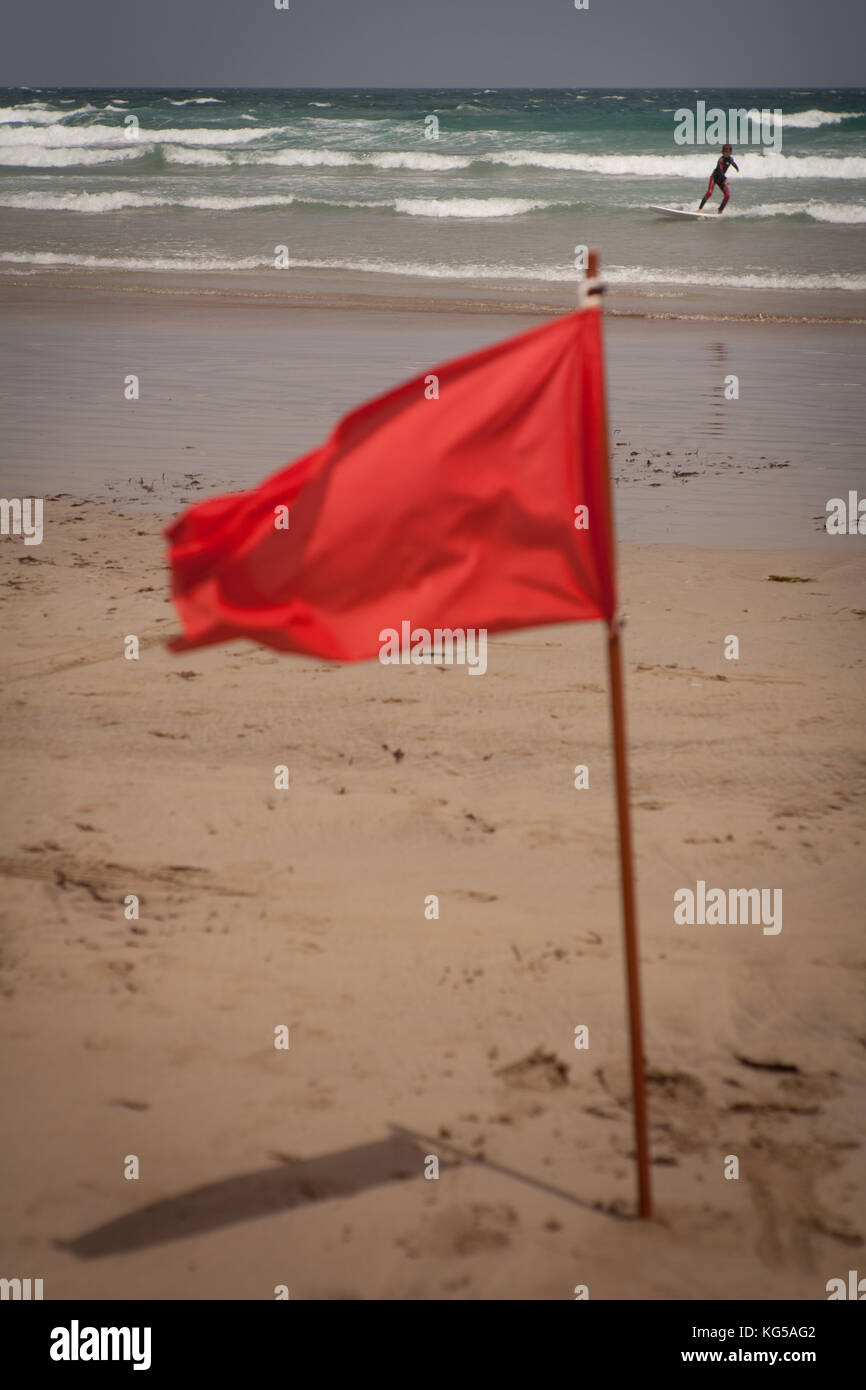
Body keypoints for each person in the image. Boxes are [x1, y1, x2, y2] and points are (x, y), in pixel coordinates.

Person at [699, 144, 739, 213]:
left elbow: (733, 163)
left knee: (727, 195)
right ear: (722, 152)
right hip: (714, 177)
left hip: (721, 180)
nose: (726, 153)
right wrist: (725, 178)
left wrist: (737, 168)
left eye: (727, 152)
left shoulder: (730, 159)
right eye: (724, 152)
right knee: (709, 192)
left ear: (730, 152)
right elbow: (720, 171)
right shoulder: (721, 160)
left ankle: (720, 210)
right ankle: (699, 209)